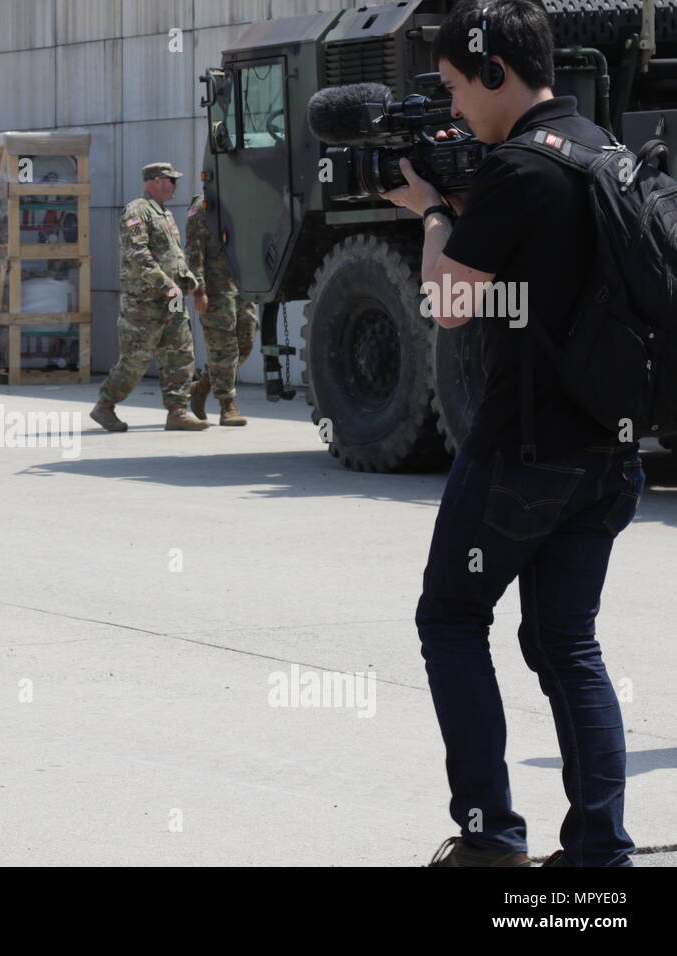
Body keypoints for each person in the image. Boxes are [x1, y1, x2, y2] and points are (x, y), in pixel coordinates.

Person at [384, 0, 641, 867]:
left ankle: (491, 832)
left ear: (496, 74)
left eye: (457, 86)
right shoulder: (603, 151)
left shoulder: (517, 172)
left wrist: (428, 211)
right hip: (611, 449)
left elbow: (450, 305)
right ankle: (600, 846)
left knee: (451, 618)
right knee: (566, 639)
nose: (454, 109)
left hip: (523, 453)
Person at [90, 162, 207, 432]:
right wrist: (165, 285)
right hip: (145, 302)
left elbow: (174, 256)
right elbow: (137, 254)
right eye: (171, 180)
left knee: (180, 353)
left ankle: (178, 411)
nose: (175, 186)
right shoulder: (136, 211)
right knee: (136, 358)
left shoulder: (164, 213)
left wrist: (189, 281)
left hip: (173, 299)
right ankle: (104, 406)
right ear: (155, 181)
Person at [185, 192, 256, 426]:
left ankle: (203, 385)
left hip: (242, 285)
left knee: (245, 342)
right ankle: (227, 405)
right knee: (222, 347)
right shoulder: (203, 206)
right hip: (216, 288)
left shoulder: (244, 199)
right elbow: (194, 251)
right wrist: (198, 290)